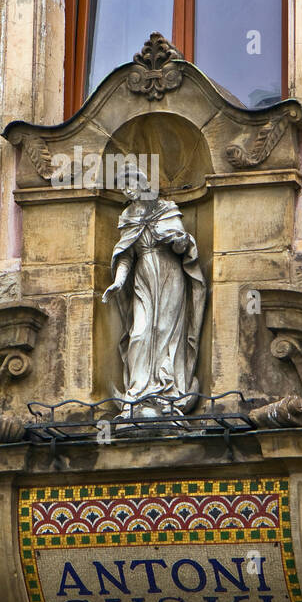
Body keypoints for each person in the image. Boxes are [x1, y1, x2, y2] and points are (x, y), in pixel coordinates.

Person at [103, 166, 206, 418]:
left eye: (129, 182)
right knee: (139, 333)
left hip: (170, 276)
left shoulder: (166, 209)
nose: (126, 189)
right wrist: (118, 282)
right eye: (122, 185)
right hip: (142, 279)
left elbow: (182, 246)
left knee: (165, 331)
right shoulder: (128, 216)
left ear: (141, 183)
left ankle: (168, 389)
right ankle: (137, 391)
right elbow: (126, 255)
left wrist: (181, 242)